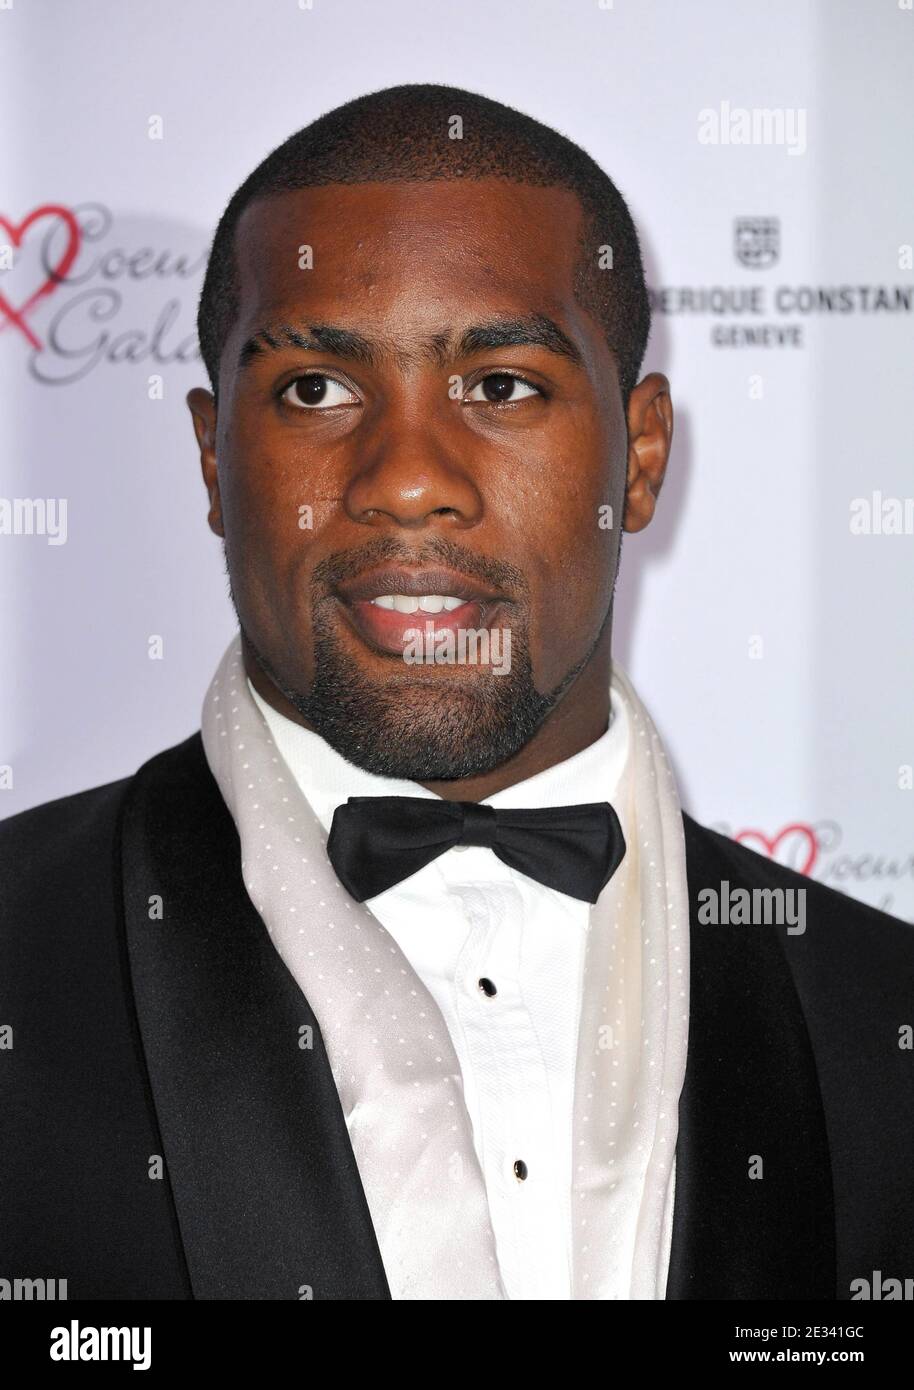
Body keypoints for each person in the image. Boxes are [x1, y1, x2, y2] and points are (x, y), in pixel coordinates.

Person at [2, 83, 912, 1302]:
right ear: (212, 461)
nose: (409, 480)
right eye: (316, 389)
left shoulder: (878, 1016)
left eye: (501, 385)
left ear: (637, 459)